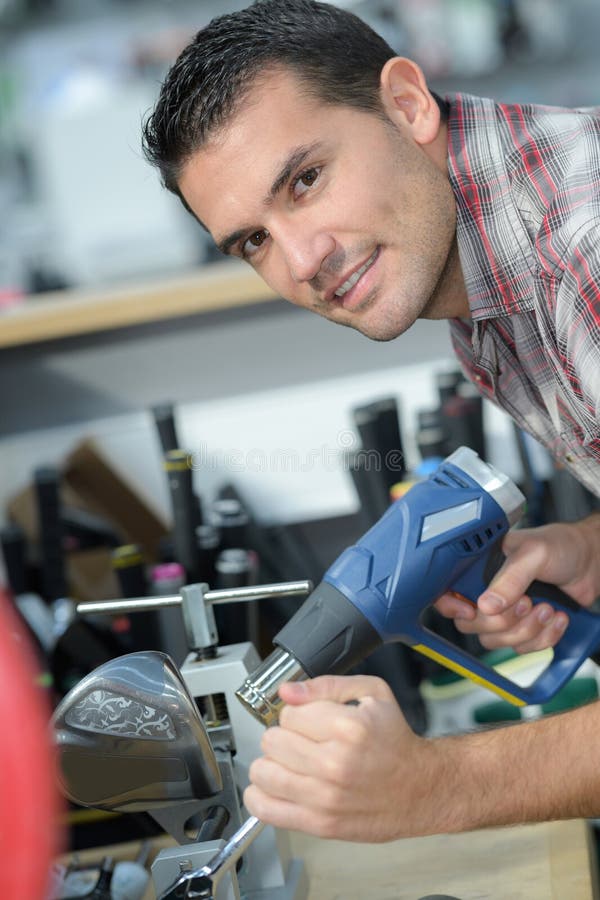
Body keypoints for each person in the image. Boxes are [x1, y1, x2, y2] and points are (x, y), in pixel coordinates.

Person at [142, 0, 600, 841]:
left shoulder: (585, 258)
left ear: (407, 104)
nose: (303, 260)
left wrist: (440, 786)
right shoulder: (486, 286)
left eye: (305, 180)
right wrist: (593, 548)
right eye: (253, 241)